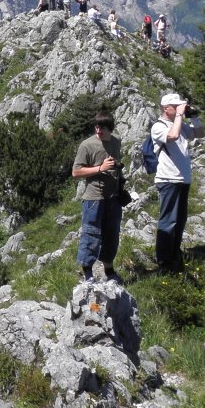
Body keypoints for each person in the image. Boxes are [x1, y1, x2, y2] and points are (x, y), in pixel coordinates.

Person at [151, 93, 205, 272]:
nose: (178, 109)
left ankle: (174, 253)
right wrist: (181, 116)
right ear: (165, 108)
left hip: (183, 179)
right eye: (175, 106)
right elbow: (173, 136)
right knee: (168, 221)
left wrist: (194, 116)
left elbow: (200, 134)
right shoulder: (158, 126)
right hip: (168, 179)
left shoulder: (180, 124)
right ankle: (163, 260)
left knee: (180, 220)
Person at [72, 111, 125, 282]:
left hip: (113, 196)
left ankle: (109, 268)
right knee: (91, 233)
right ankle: (87, 270)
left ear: (109, 128)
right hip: (93, 198)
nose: (98, 130)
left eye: (102, 127)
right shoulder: (87, 145)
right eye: (96, 126)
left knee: (112, 233)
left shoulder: (116, 142)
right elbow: (76, 172)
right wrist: (100, 168)